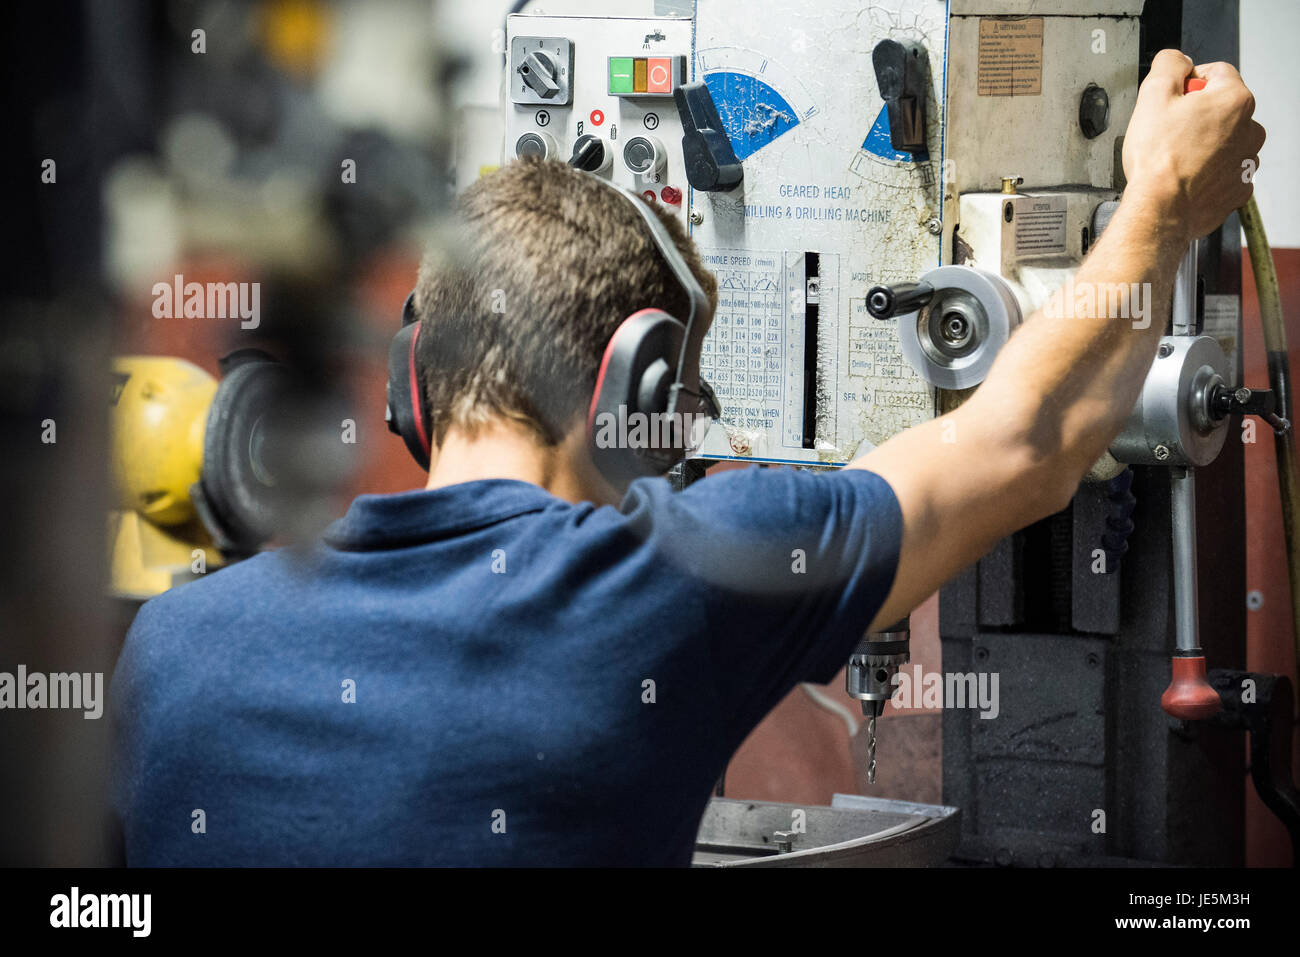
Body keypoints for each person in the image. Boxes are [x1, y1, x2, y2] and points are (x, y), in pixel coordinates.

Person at [110, 50, 1264, 865]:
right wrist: (1163, 198)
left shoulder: (169, 646)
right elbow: (1030, 440)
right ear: (644, 387)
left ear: (411, 382)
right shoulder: (677, 578)